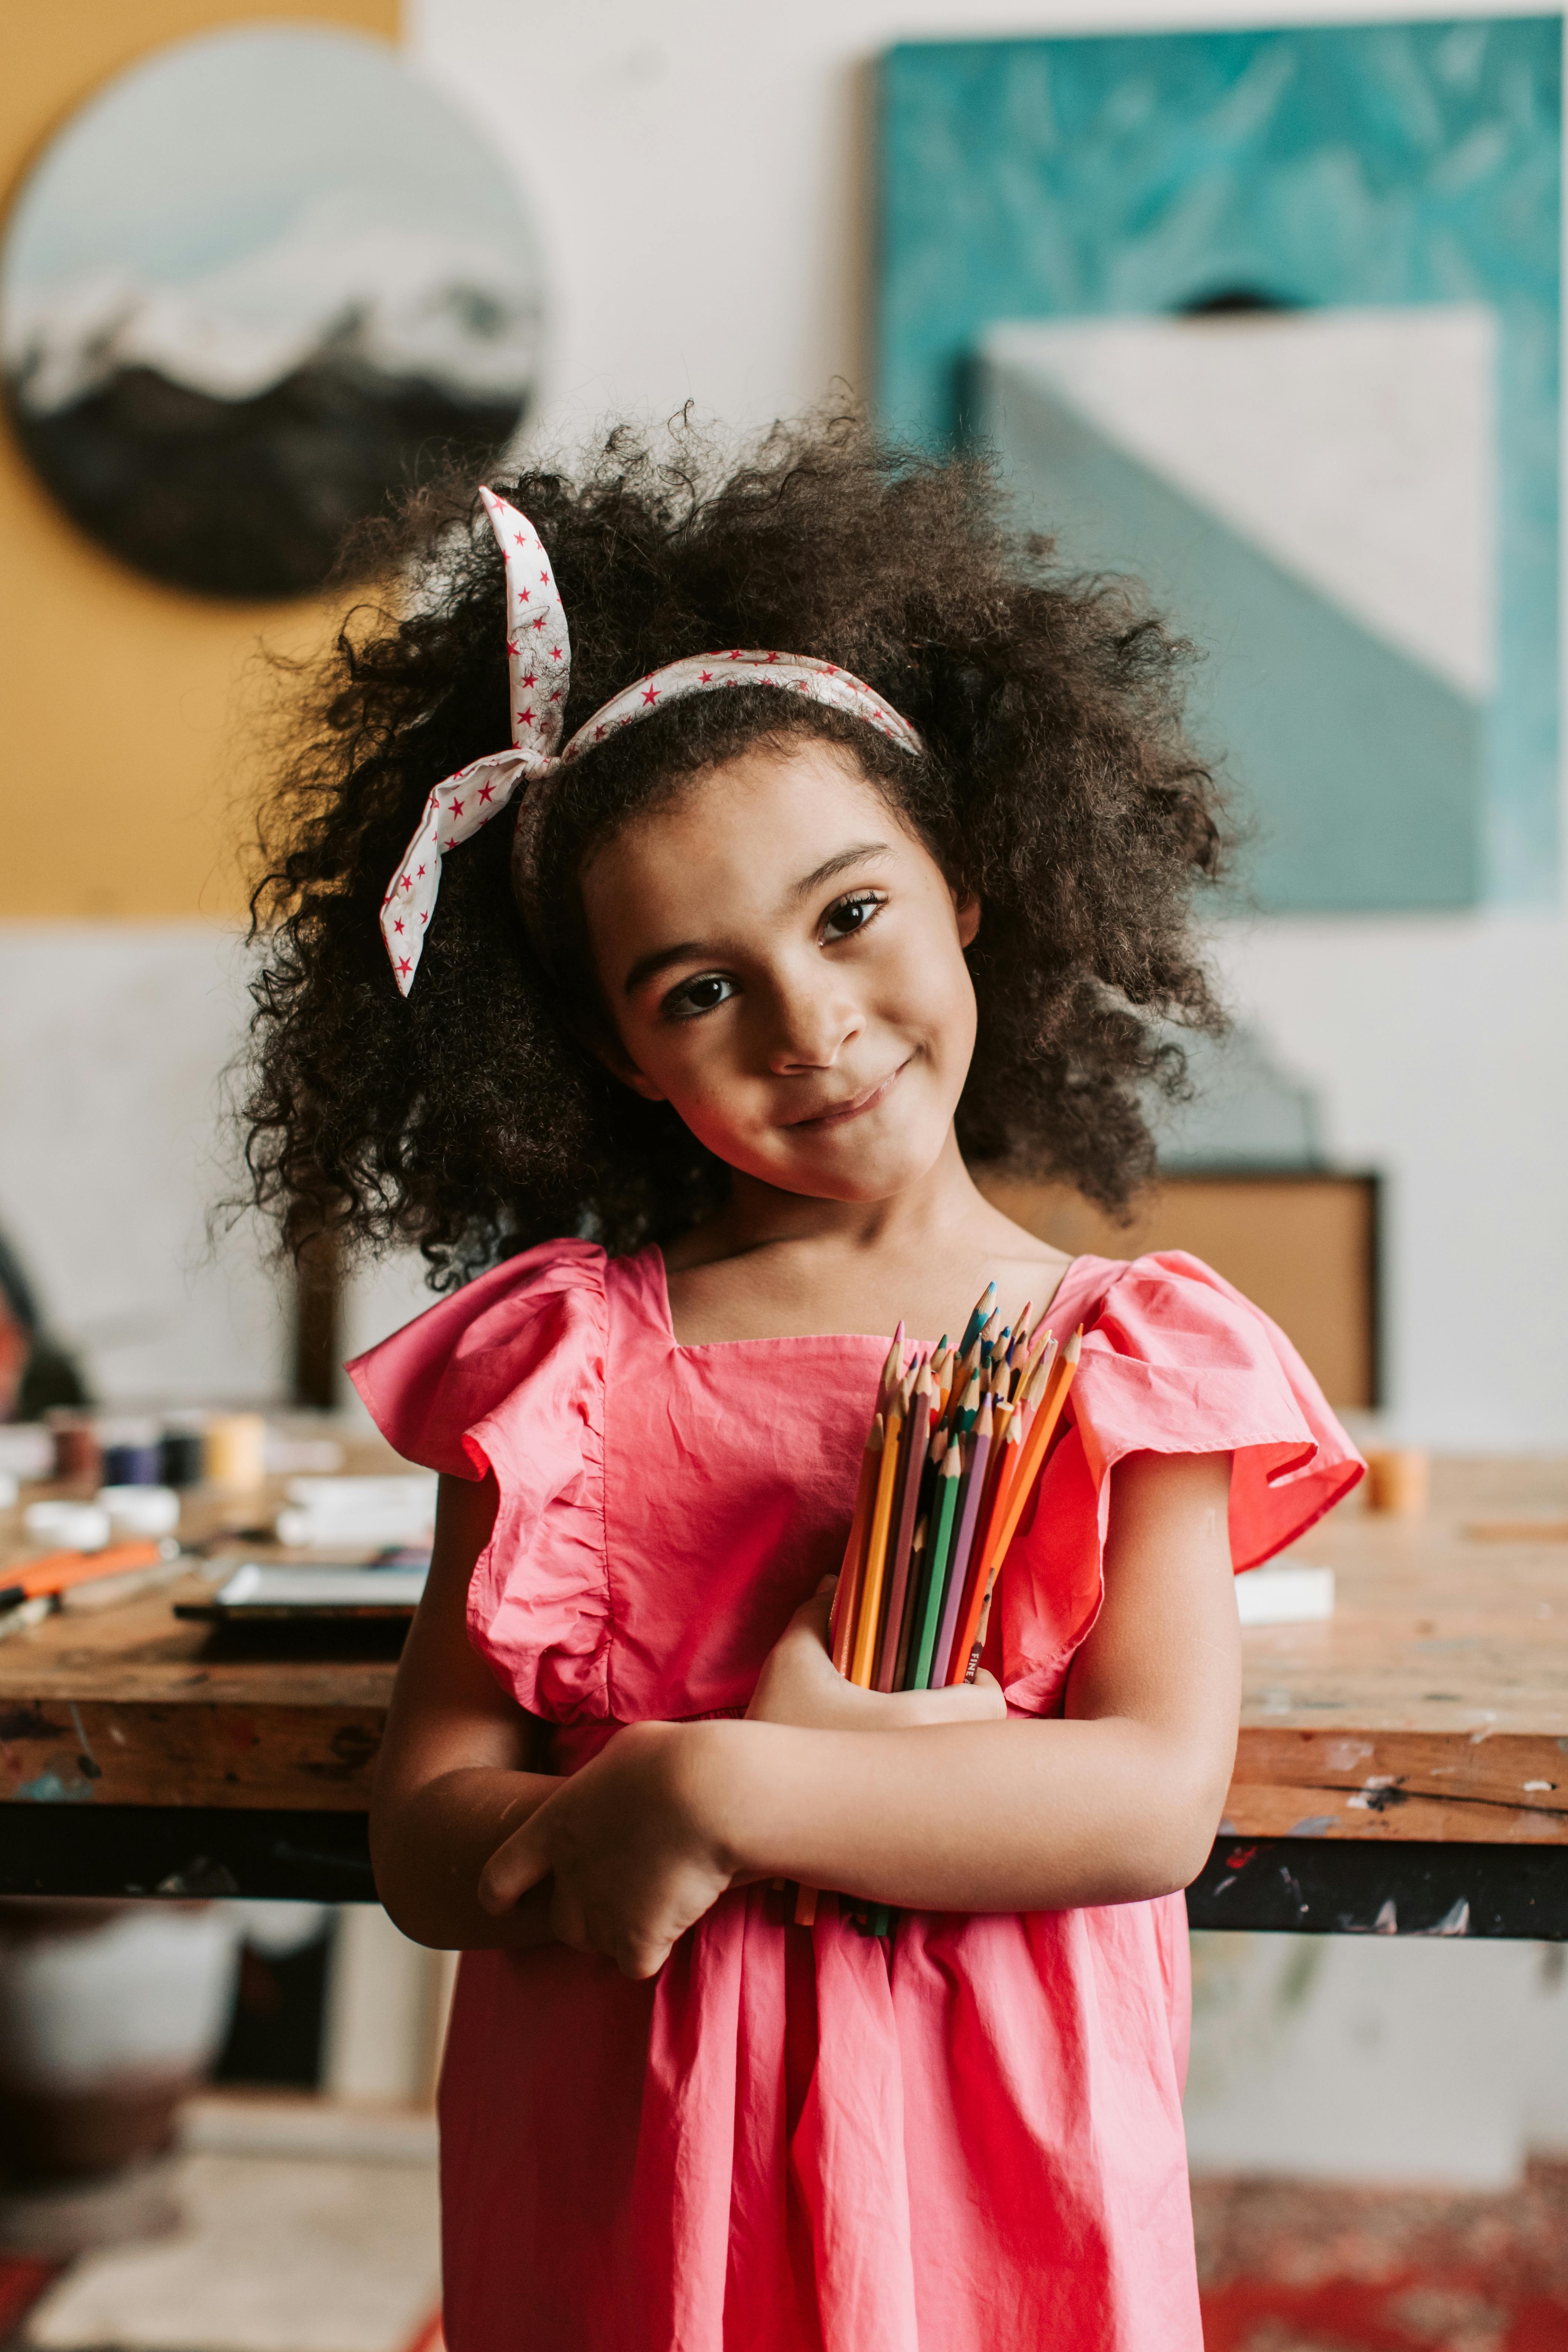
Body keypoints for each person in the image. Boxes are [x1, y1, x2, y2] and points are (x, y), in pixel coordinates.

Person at [243, 417, 1360, 2351]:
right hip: (617, 2174)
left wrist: (717, 1780)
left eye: (850, 914)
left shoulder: (1126, 1354)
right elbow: (427, 1826)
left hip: (992, 2191)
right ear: (609, 1052)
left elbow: (1149, 1801)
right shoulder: (561, 1367)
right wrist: (571, 1858)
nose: (811, 1021)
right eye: (698, 987)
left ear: (971, 887)